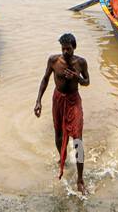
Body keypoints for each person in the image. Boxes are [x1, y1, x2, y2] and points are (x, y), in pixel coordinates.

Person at [35, 33, 91, 193]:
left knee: (78, 140)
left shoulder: (80, 62)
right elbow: (45, 79)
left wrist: (77, 78)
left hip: (74, 101)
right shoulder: (54, 60)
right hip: (58, 100)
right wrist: (38, 101)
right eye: (63, 49)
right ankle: (62, 158)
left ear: (74, 48)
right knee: (58, 135)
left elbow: (87, 81)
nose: (66, 52)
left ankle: (80, 180)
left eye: (69, 49)